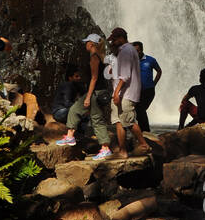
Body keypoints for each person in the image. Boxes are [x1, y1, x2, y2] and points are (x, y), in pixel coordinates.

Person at [57, 34, 113, 158]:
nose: (85, 44)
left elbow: (94, 78)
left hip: (95, 93)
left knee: (96, 119)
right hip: (100, 92)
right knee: (76, 110)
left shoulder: (94, 57)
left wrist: (88, 97)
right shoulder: (103, 56)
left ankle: (105, 148)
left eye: (87, 42)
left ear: (91, 44)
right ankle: (70, 136)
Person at [108, 26, 150, 156]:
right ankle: (123, 150)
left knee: (129, 122)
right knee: (119, 122)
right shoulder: (126, 51)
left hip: (125, 94)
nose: (112, 42)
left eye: (114, 40)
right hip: (122, 93)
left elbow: (125, 75)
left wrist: (116, 93)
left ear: (121, 38)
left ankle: (144, 144)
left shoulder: (126, 51)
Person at [133, 42, 162, 132]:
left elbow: (159, 71)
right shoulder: (132, 61)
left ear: (141, 50)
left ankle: (146, 131)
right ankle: (142, 132)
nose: (135, 53)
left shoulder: (151, 60)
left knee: (140, 110)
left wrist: (154, 83)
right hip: (137, 91)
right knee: (139, 111)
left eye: (137, 51)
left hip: (148, 91)